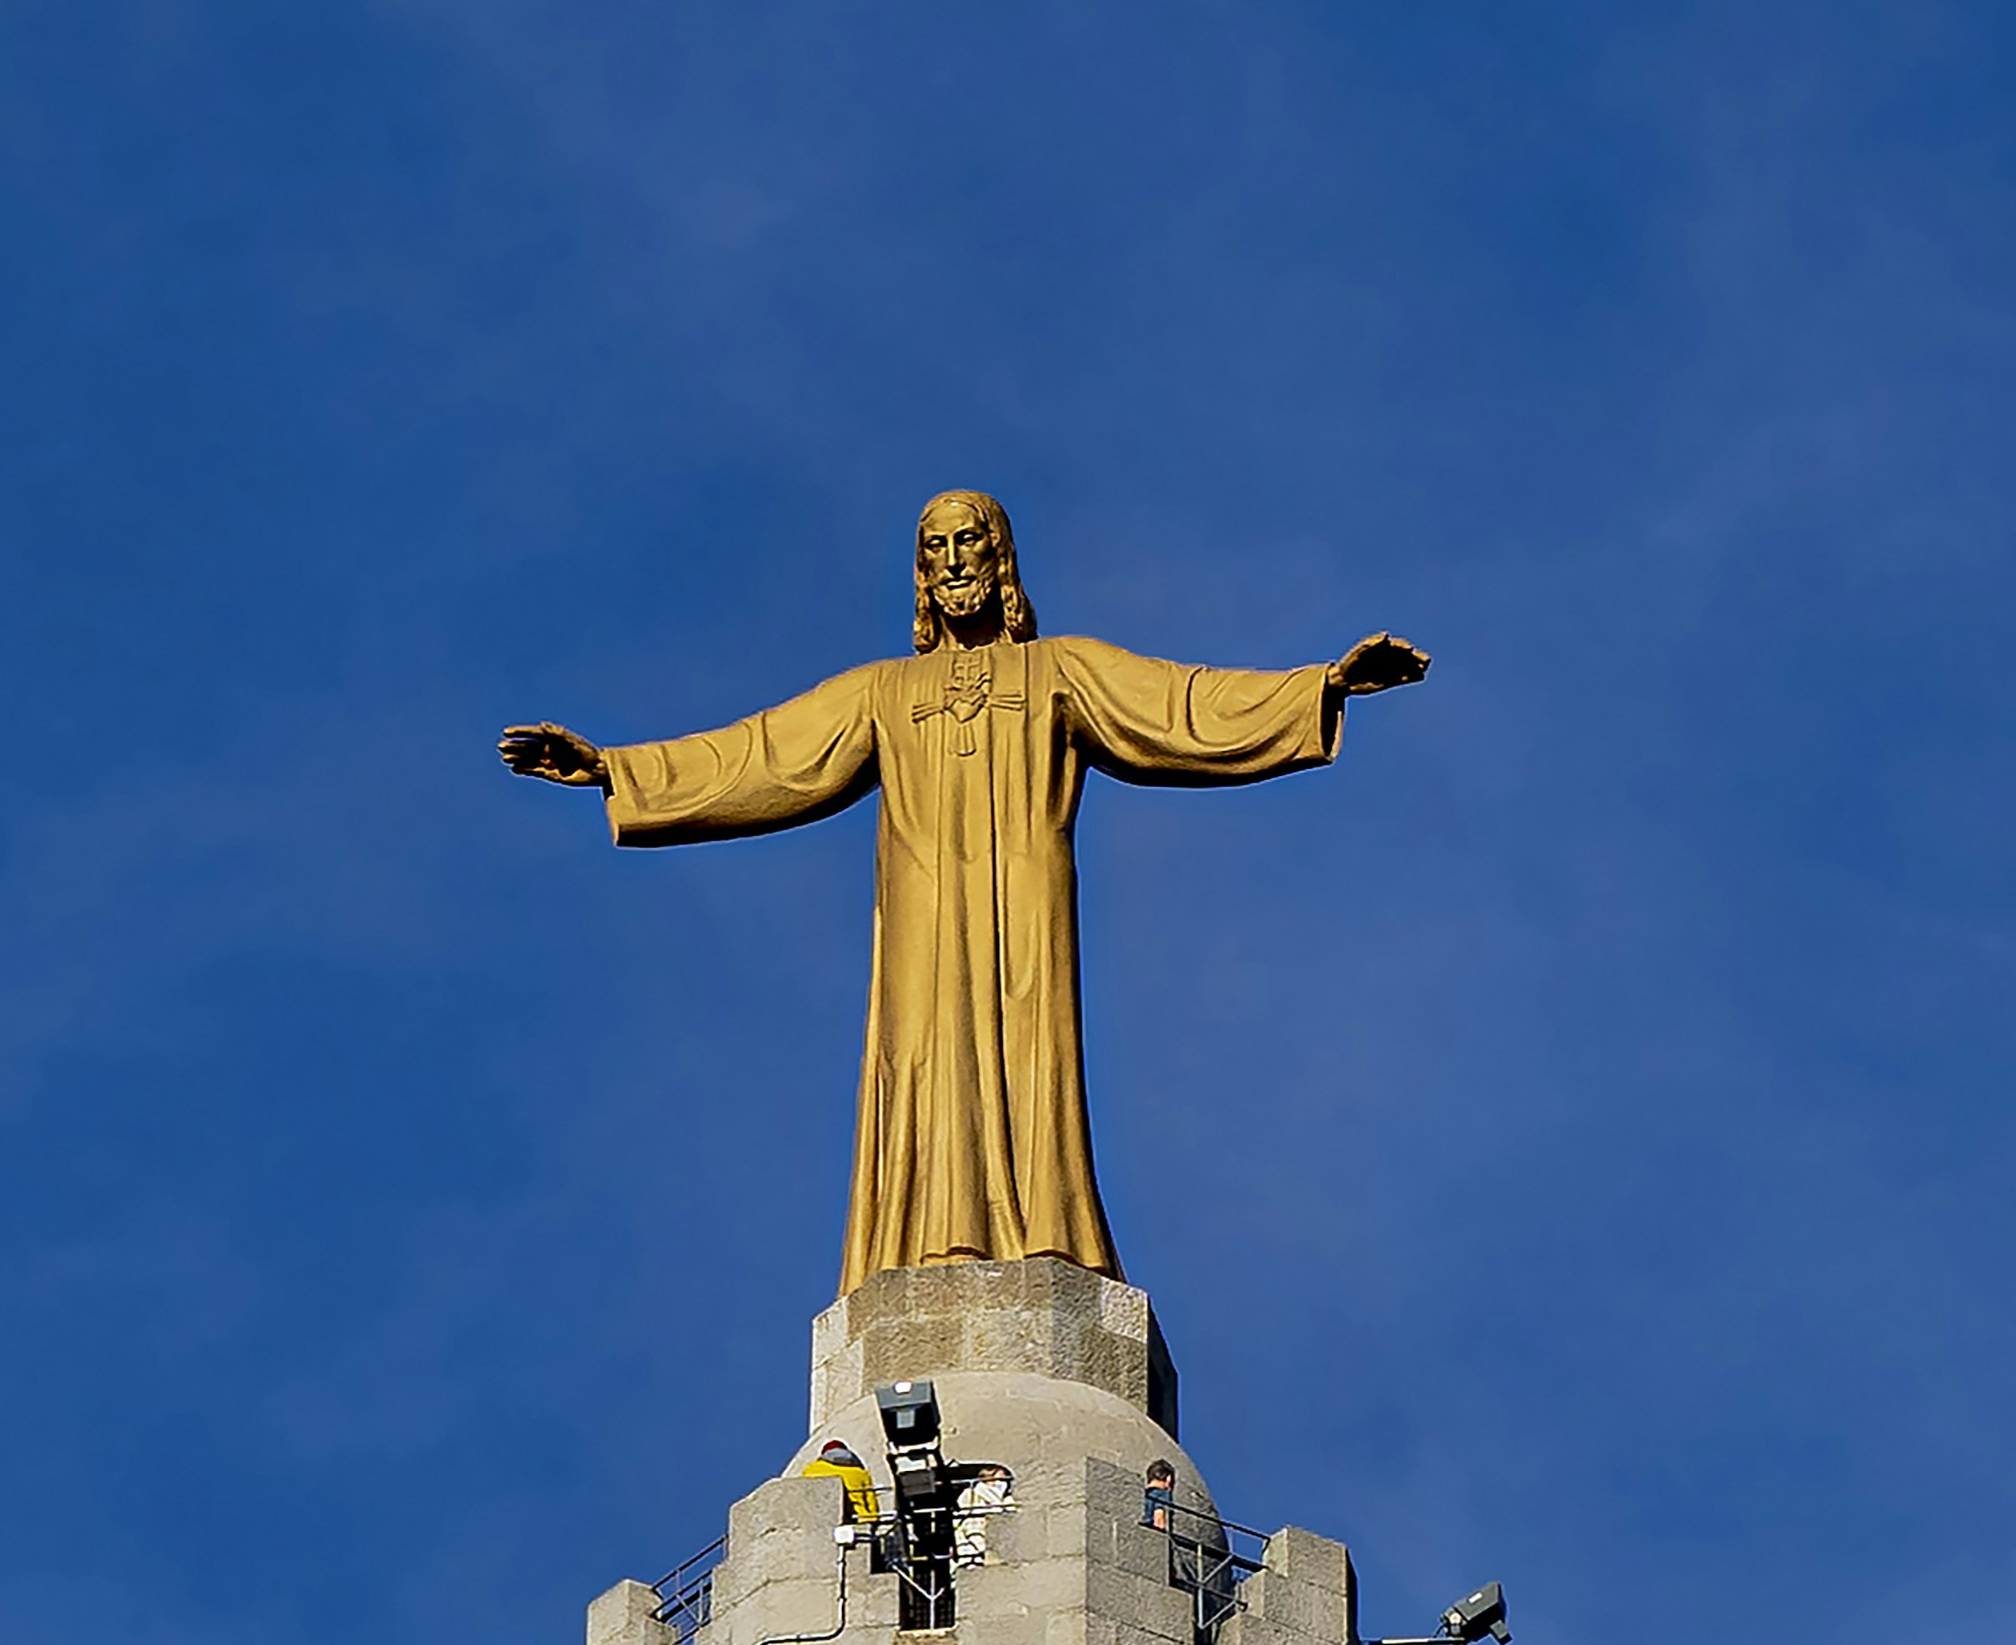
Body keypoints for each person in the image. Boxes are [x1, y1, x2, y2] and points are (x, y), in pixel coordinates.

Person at [501, 493, 1425, 1295]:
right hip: (922, 914)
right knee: (925, 1055)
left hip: (1024, 903)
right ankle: (916, 1243)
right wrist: (615, 770)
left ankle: (1047, 1234)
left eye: (967, 542)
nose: (952, 562)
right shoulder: (881, 691)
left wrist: (1323, 686)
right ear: (918, 570)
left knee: (1030, 1053)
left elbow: (1179, 706)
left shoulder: (1060, 670)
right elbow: (763, 754)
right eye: (933, 547)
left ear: (1001, 558)